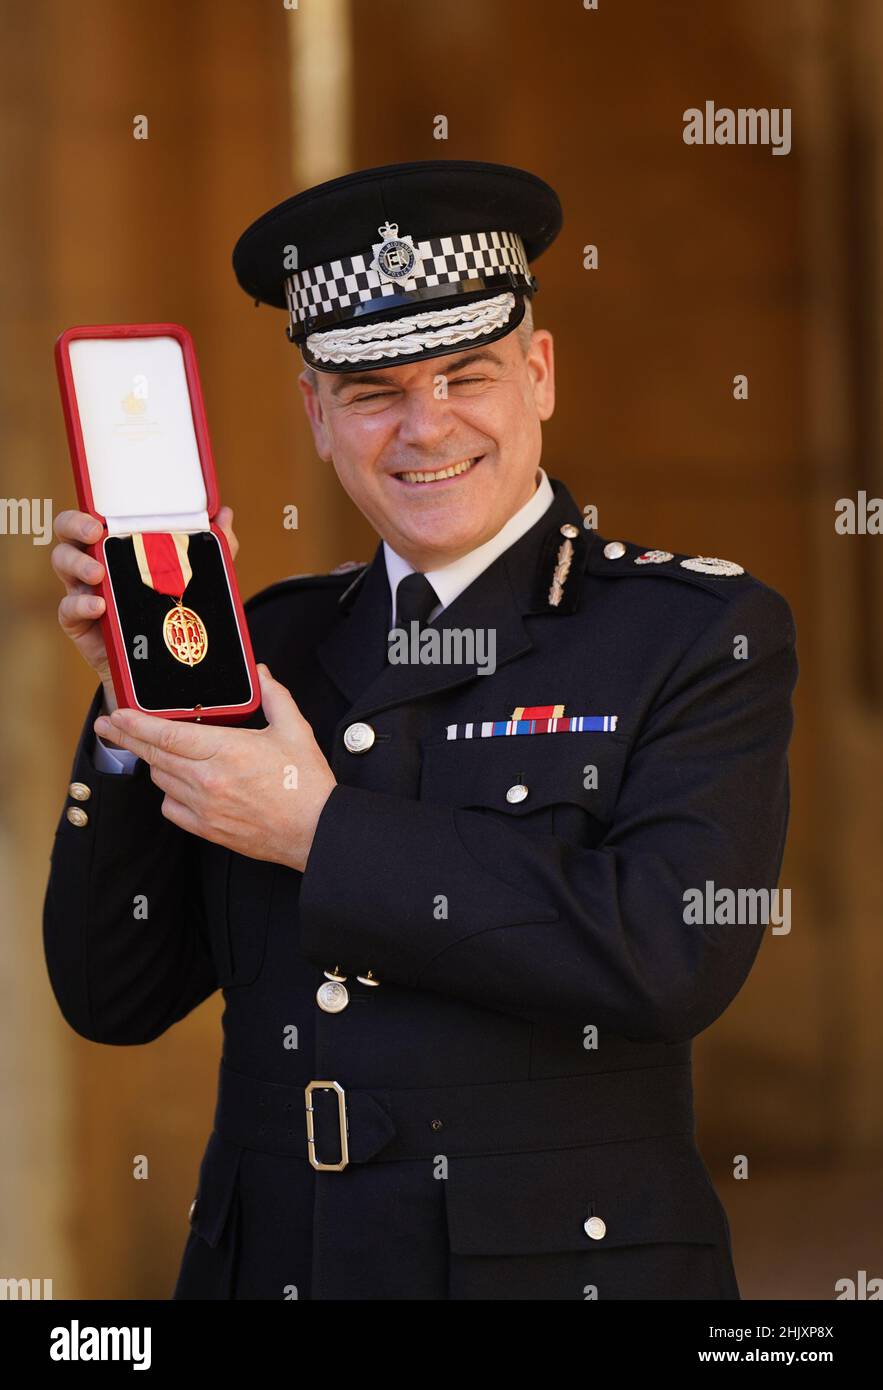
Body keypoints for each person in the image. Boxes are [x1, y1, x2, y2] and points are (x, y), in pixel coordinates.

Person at [44, 160, 797, 1300]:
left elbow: (668, 948)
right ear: (316, 414)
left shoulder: (690, 632)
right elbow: (114, 998)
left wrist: (318, 830)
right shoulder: (266, 648)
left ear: (538, 374)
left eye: (464, 373)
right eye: (372, 390)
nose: (424, 426)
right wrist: (128, 707)